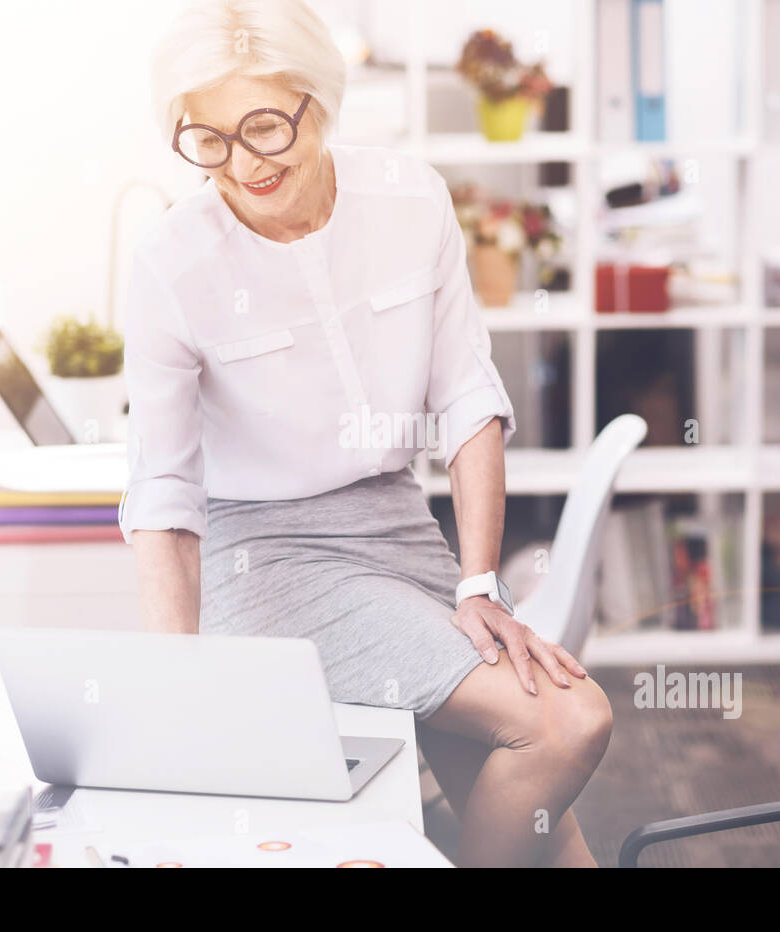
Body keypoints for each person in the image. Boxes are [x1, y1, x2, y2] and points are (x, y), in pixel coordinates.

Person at [120, 0, 612, 867]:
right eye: (209, 139)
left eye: (266, 126)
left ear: (320, 99)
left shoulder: (408, 199)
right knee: (569, 722)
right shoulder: (171, 262)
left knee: (552, 835)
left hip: (396, 524)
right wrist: (177, 694)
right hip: (267, 558)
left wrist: (480, 581)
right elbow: (163, 494)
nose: (242, 164)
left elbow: (466, 395)